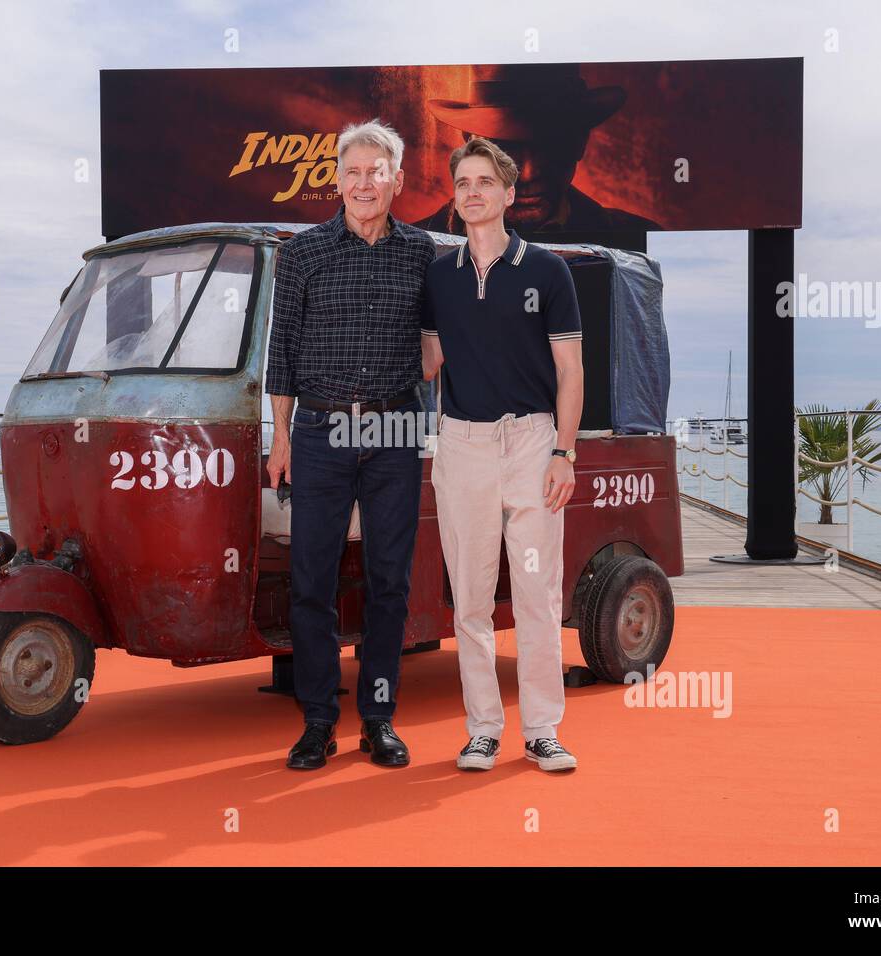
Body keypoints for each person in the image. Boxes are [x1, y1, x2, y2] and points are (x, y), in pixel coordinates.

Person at [266, 119, 437, 770]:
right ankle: (317, 724)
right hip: (318, 431)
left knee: (390, 583)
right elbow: (281, 353)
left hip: (394, 431)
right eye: (353, 172)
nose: (364, 183)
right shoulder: (303, 253)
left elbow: (438, 344)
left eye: (376, 172)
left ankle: (380, 719)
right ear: (337, 179)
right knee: (312, 583)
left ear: (397, 180)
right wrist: (279, 435)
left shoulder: (423, 255)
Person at [421, 135, 584, 773]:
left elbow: (570, 371)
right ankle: (483, 729)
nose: (473, 192)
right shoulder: (438, 275)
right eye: (463, 183)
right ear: (455, 199)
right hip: (461, 444)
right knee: (468, 597)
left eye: (485, 181)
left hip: (532, 443)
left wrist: (563, 452)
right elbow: (430, 361)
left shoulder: (547, 270)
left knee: (539, 594)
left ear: (509, 194)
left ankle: (542, 729)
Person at [414, 63, 658, 240]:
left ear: (580, 143)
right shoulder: (416, 246)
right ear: (470, 147)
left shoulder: (637, 237)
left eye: (550, 145)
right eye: (504, 148)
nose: (528, 174)